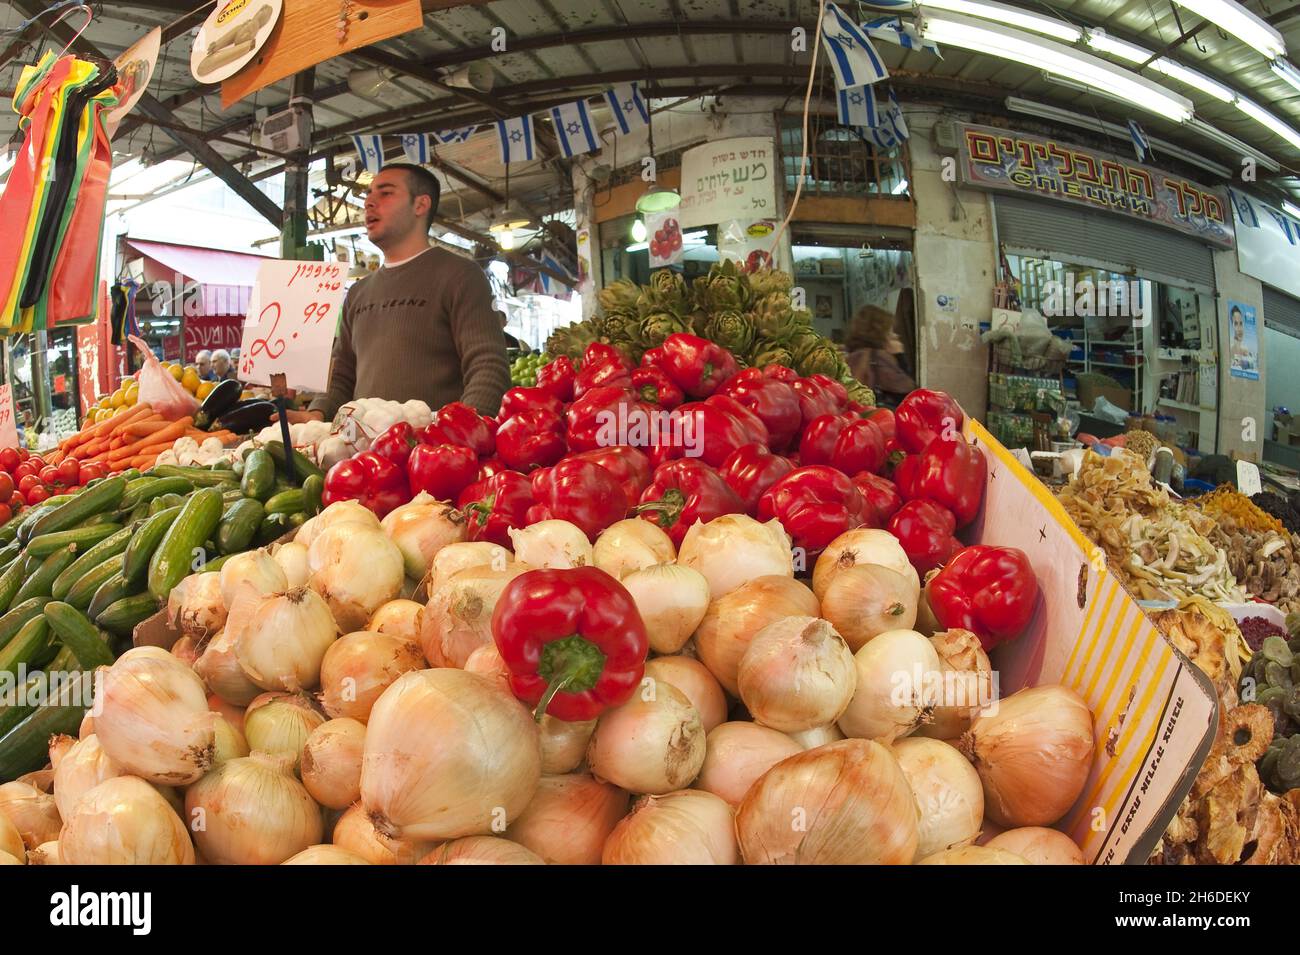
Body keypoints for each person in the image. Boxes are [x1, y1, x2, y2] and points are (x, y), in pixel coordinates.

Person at [278, 163, 510, 424]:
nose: (369, 202)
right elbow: (342, 373)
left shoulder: (461, 275)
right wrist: (317, 413)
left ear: (420, 205)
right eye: (368, 194)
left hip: (432, 455)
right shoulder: (358, 293)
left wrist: (463, 430)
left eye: (385, 193)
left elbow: (488, 366)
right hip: (362, 456)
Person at [845, 304, 916, 407]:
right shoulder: (879, 357)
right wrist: (900, 356)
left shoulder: (850, 357)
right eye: (890, 331)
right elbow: (910, 392)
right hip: (881, 419)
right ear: (880, 331)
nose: (895, 335)